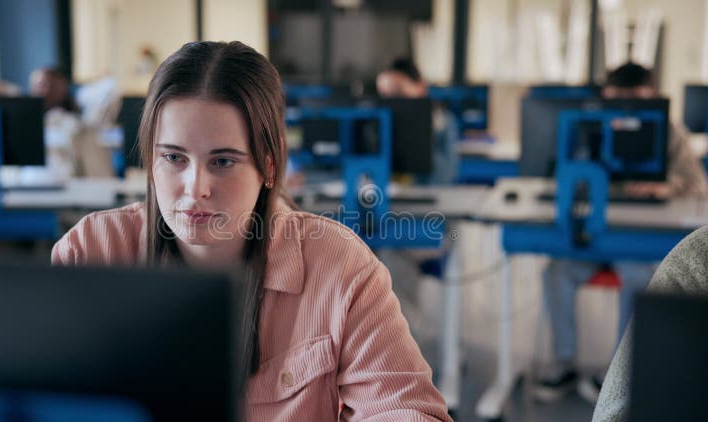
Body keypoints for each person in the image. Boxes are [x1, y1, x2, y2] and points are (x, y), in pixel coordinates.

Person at [51, 41, 452, 421]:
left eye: (223, 161)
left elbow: (407, 410)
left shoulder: (340, 268)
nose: (195, 189)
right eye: (173, 157)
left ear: (270, 164)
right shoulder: (90, 252)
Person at [533, 62, 708, 404]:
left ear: (653, 96)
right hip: (594, 235)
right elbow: (562, 172)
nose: (627, 105)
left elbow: (698, 185)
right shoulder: (591, 123)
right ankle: (565, 363)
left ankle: (617, 373)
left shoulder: (671, 131)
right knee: (557, 272)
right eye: (619, 97)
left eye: (636, 98)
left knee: (640, 279)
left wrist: (666, 187)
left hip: (637, 239)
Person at [592, 225, 708, 421]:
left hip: (627, 247)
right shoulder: (698, 255)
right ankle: (564, 362)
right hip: (609, 241)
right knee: (557, 274)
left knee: (636, 277)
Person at [376, 58, 459, 185]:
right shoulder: (375, 123)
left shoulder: (443, 122)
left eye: (399, 94)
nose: (392, 103)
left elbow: (446, 177)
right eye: (385, 96)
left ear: (420, 87)